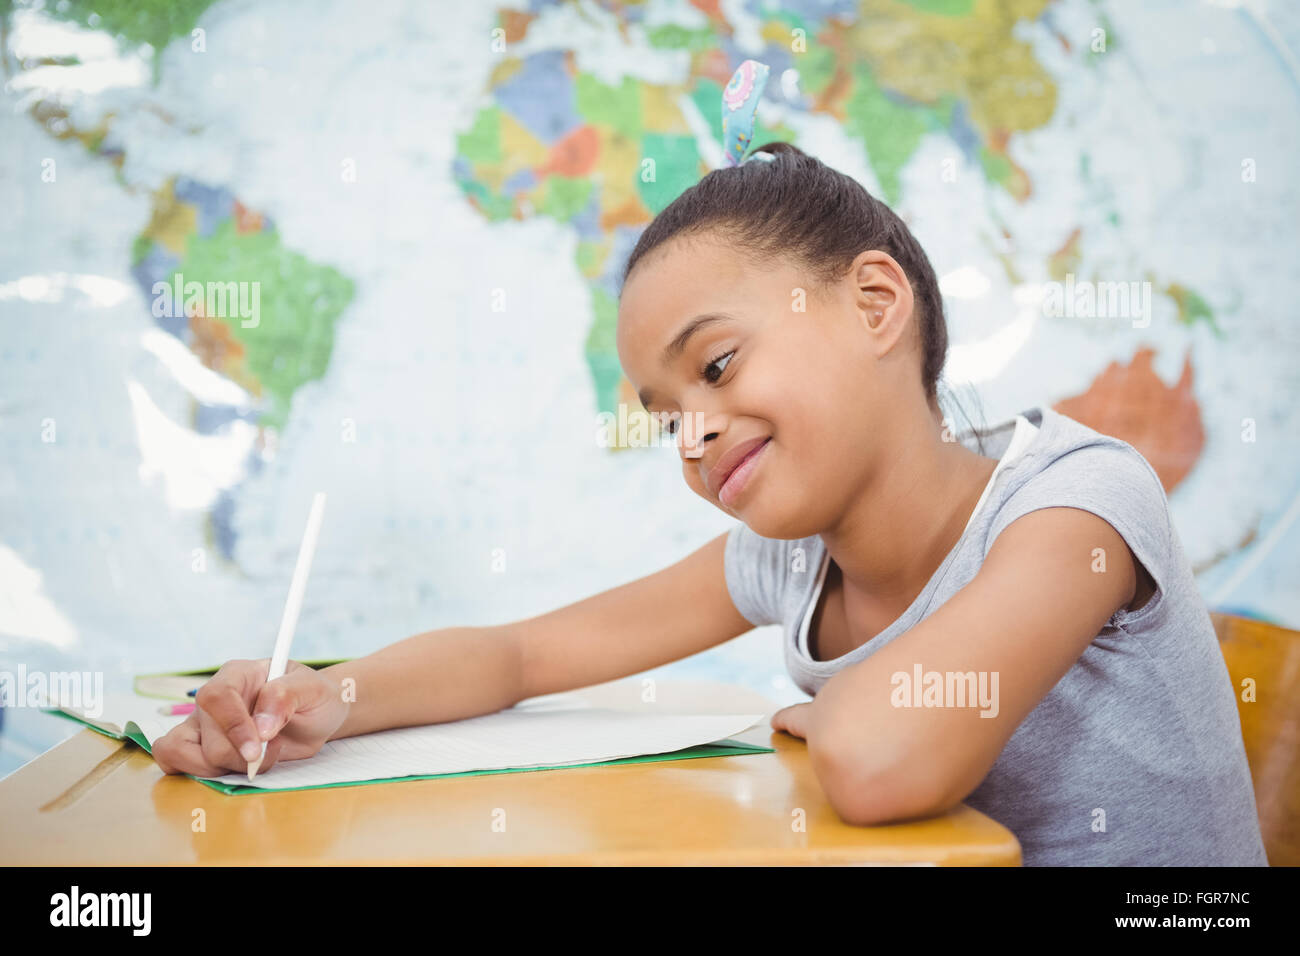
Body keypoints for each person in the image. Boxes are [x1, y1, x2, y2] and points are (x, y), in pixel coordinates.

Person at [153, 141, 1267, 866]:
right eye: (662, 412)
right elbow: (519, 657)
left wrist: (837, 713)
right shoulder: (787, 558)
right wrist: (321, 699)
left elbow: (881, 763)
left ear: (876, 302)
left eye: (718, 367)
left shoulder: (1078, 503)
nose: (690, 430)